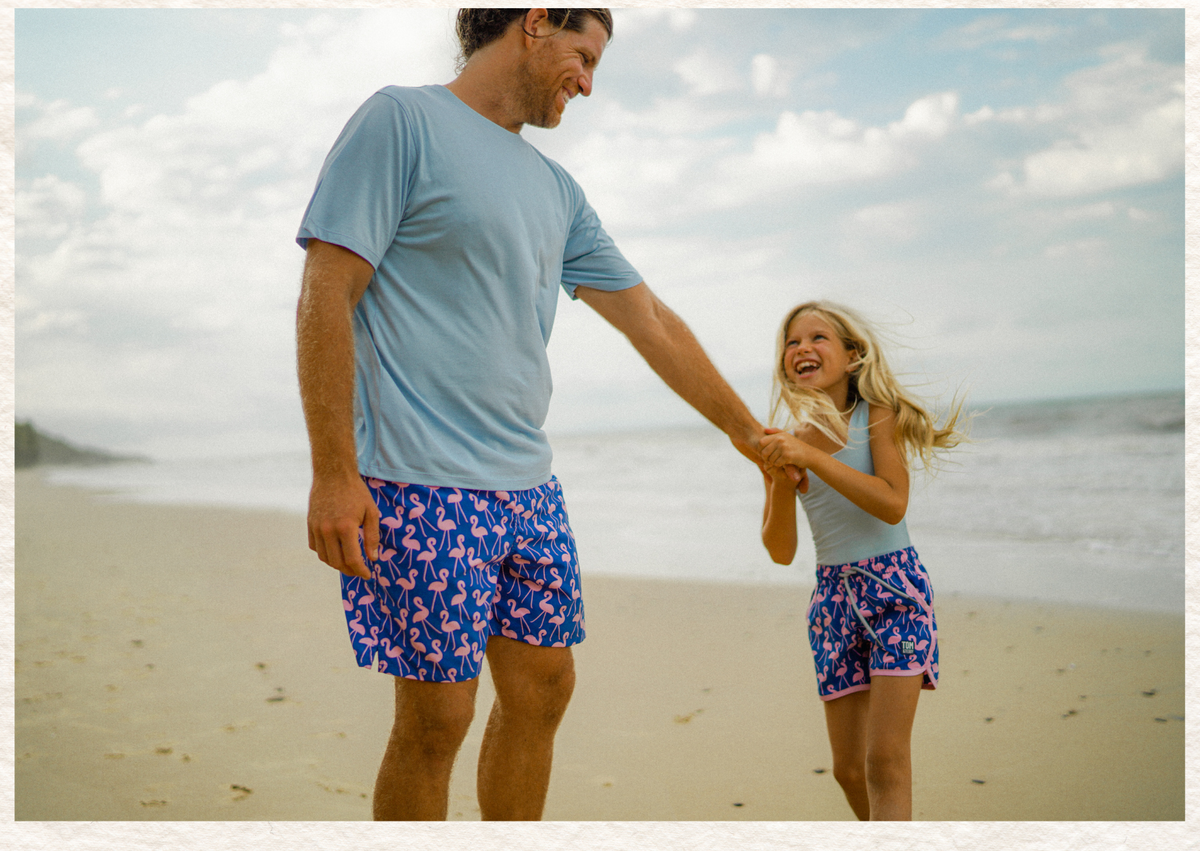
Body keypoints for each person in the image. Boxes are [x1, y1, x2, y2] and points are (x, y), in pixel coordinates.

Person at [294, 8, 784, 821]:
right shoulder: (401, 121)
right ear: (536, 21)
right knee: (437, 718)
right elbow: (326, 292)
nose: (588, 84)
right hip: (418, 482)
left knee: (546, 686)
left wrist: (749, 434)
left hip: (528, 487)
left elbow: (649, 320)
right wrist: (334, 472)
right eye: (584, 57)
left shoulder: (558, 190)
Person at [757, 300, 967, 821]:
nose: (802, 348)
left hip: (894, 590)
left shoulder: (877, 415)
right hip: (831, 601)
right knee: (849, 771)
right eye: (791, 342)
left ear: (852, 356)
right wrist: (780, 484)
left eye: (817, 337)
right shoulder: (795, 442)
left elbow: (893, 502)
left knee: (884, 761)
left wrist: (815, 461)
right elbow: (781, 552)